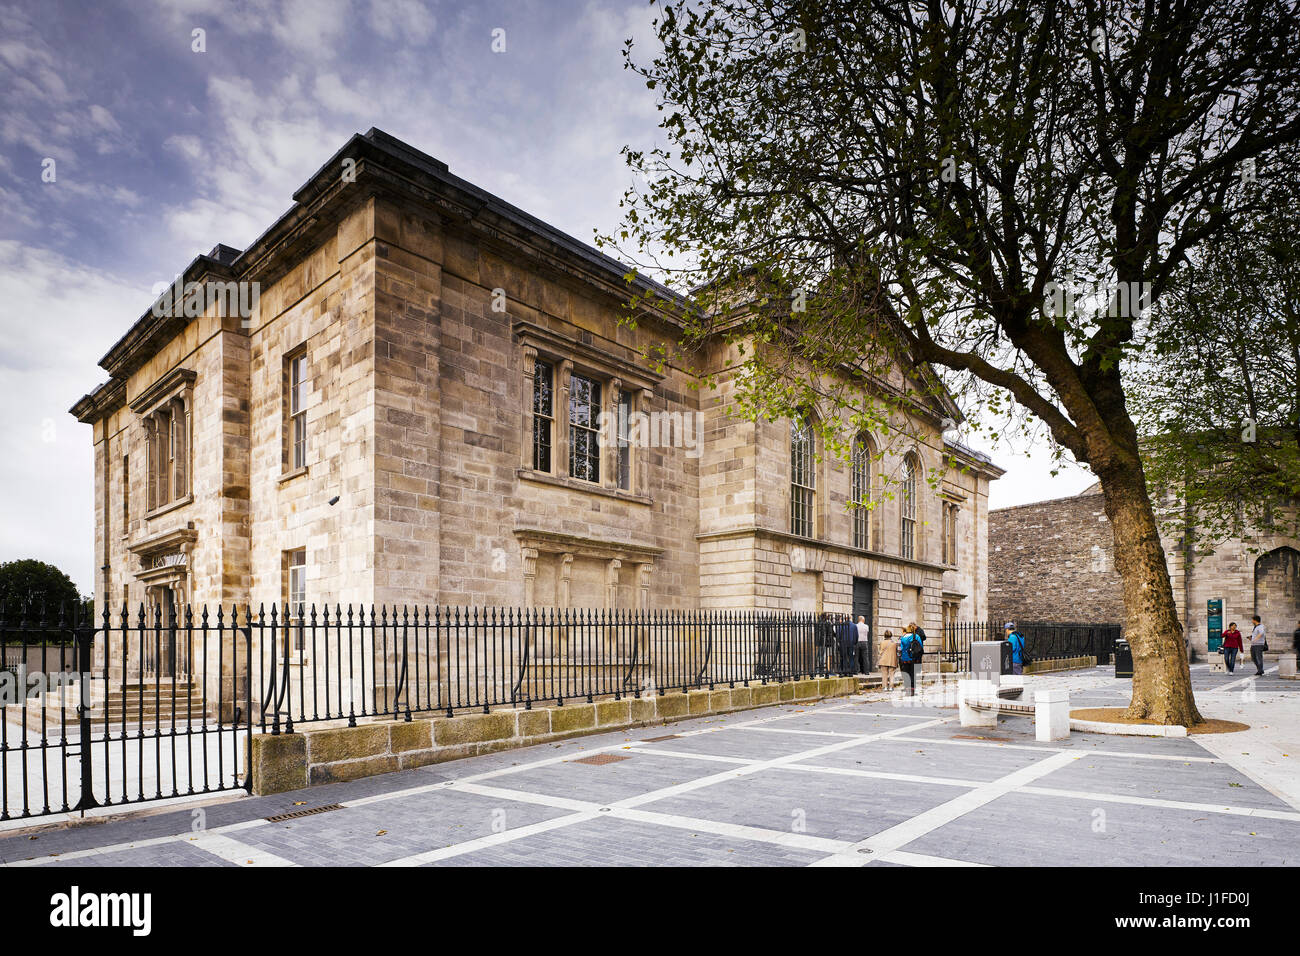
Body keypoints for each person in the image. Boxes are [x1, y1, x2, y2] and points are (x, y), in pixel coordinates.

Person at [899, 625, 924, 696]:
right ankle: (912, 691)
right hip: (914, 658)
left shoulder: (903, 637)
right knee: (913, 674)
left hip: (904, 658)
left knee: (906, 674)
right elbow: (920, 647)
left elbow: (901, 648)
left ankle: (907, 690)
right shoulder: (916, 636)